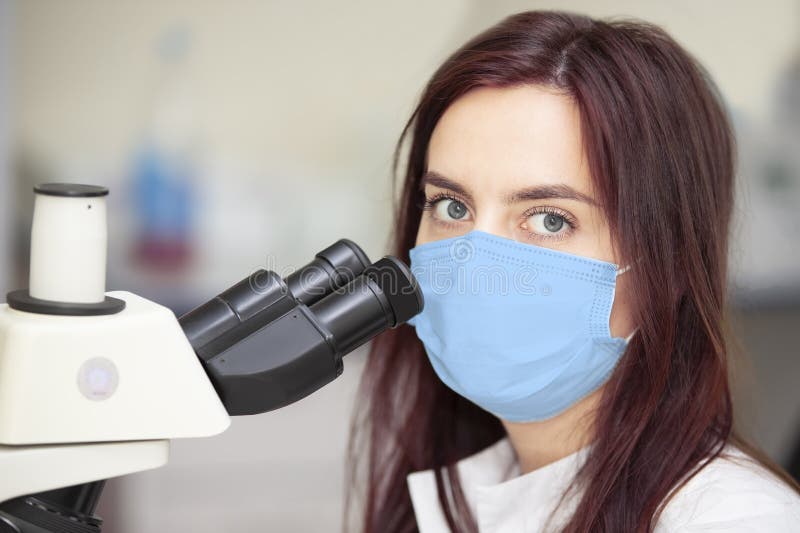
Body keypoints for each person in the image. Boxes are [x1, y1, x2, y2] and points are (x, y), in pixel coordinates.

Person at [346, 10, 800, 533]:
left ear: (669, 259)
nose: (477, 260)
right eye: (451, 206)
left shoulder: (734, 519)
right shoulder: (449, 495)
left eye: (549, 219)